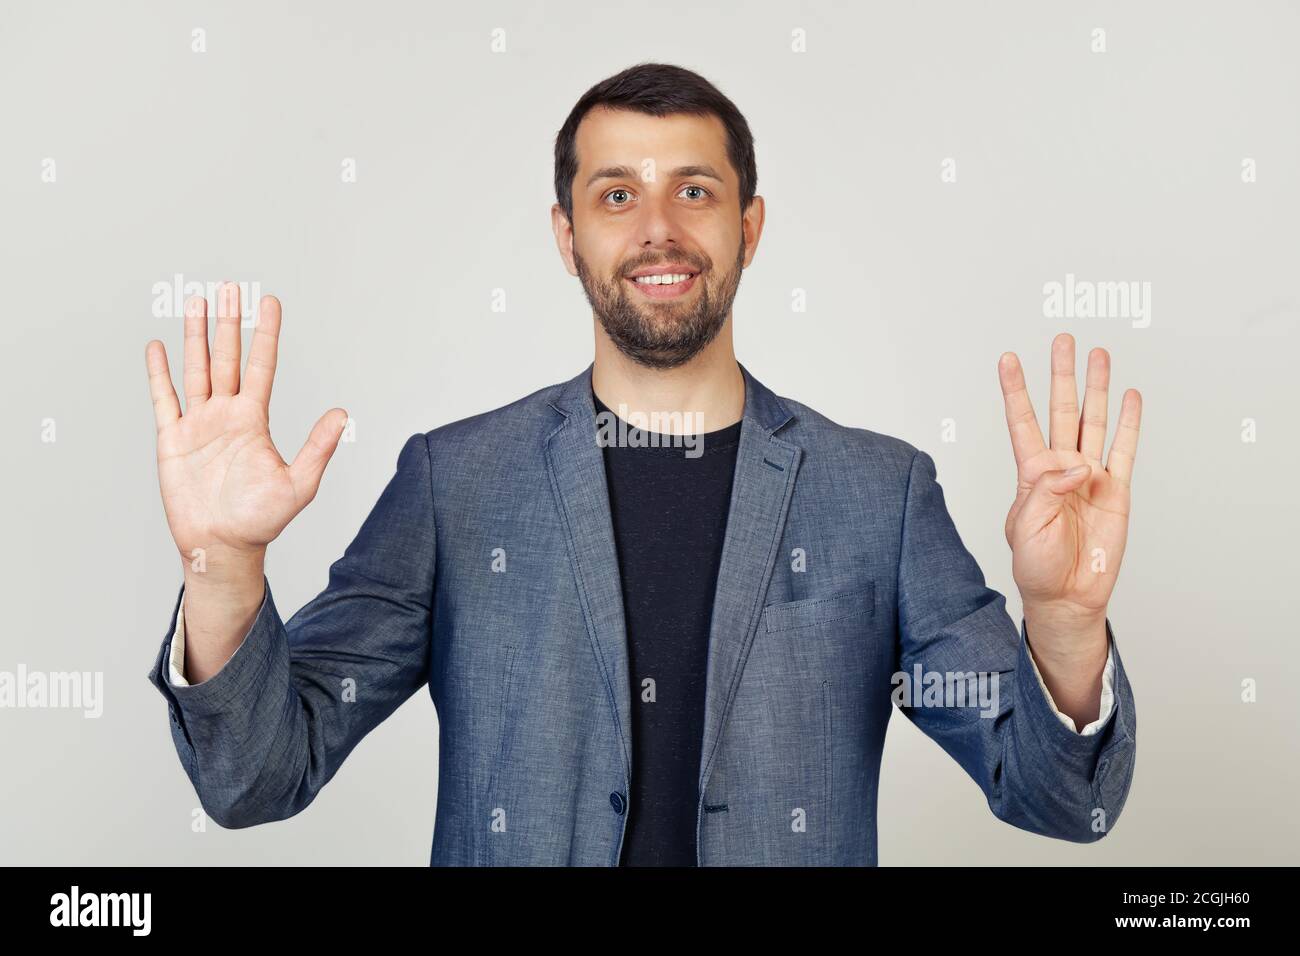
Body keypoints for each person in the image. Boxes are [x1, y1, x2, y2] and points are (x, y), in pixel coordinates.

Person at [143, 62, 1140, 866]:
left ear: (748, 227)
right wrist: (224, 568)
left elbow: (1059, 799)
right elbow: (256, 778)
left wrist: (1062, 625)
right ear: (565, 236)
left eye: (693, 191)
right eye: (616, 194)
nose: (658, 229)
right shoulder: (457, 485)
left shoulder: (878, 495)